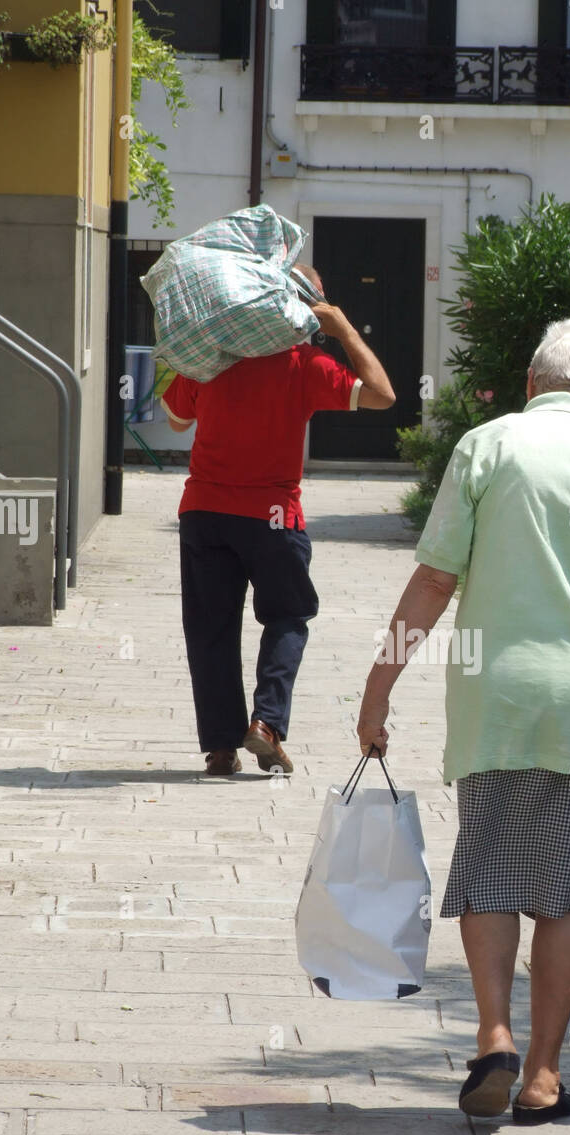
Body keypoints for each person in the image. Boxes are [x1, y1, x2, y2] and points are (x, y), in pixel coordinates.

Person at [356, 313, 570, 1124]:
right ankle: (543, 1078)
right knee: (569, 897)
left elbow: (433, 585)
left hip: (495, 700)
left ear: (531, 384)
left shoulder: (486, 446)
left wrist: (377, 692)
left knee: (489, 877)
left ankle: (492, 1037)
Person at [161, 265, 395, 777]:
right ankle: (266, 724)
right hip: (271, 518)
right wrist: (346, 331)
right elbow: (383, 394)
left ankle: (221, 750)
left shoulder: (212, 359)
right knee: (288, 616)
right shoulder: (305, 364)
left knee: (210, 629)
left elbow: (176, 418)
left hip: (203, 511)